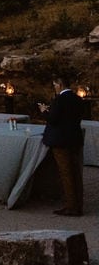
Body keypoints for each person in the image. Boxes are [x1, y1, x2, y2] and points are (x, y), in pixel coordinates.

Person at [41, 75, 85, 216]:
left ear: (59, 84)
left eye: (55, 85)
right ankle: (78, 203)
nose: (54, 88)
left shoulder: (59, 99)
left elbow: (53, 119)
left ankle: (71, 206)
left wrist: (44, 112)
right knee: (76, 172)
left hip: (60, 141)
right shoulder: (77, 99)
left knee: (66, 173)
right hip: (75, 139)